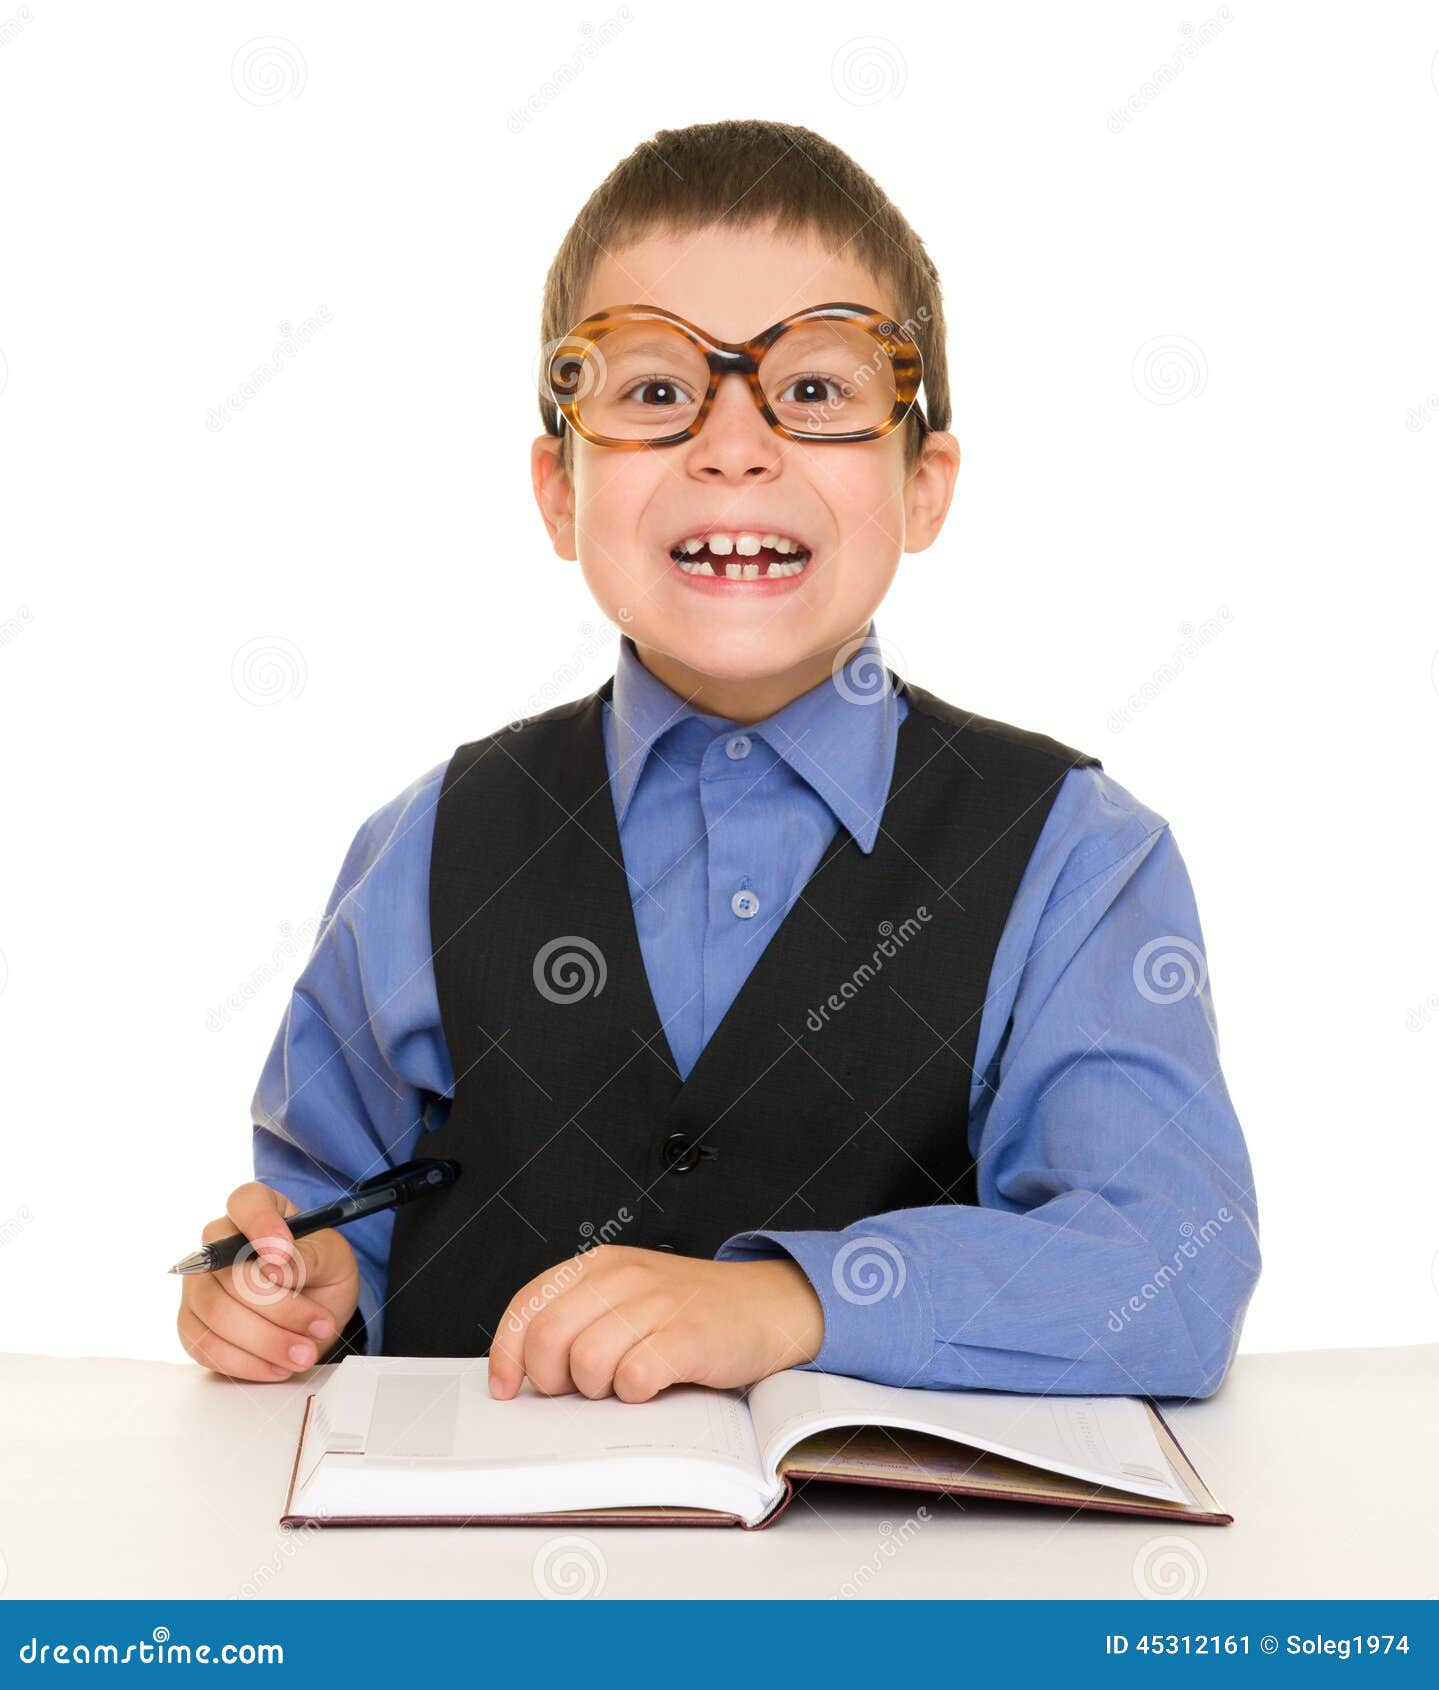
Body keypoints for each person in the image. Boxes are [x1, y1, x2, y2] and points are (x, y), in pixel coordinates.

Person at [177, 119, 1260, 1405]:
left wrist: (793, 1300)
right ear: (558, 490)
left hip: (907, 1595)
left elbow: (1167, 1267)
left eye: (814, 390)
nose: (731, 446)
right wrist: (288, 1290)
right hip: (463, 1592)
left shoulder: (1078, 859)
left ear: (924, 486)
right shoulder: (423, 848)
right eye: (650, 390)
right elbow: (328, 1213)